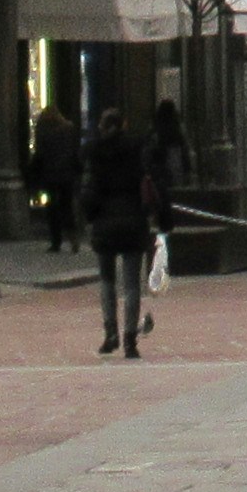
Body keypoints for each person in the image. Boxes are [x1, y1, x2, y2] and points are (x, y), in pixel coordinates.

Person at [86, 105, 159, 356]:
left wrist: (89, 216)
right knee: (131, 284)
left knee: (107, 280)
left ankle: (110, 333)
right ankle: (130, 339)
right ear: (124, 125)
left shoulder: (94, 152)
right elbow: (148, 181)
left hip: (105, 222)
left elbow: (90, 190)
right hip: (132, 221)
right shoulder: (137, 149)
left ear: (103, 127)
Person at [28, 97, 84, 253]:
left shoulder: (43, 129)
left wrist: (34, 175)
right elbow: (75, 152)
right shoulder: (69, 128)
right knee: (67, 207)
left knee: (52, 207)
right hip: (67, 175)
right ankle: (73, 238)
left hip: (50, 175)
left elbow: (39, 154)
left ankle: (56, 241)